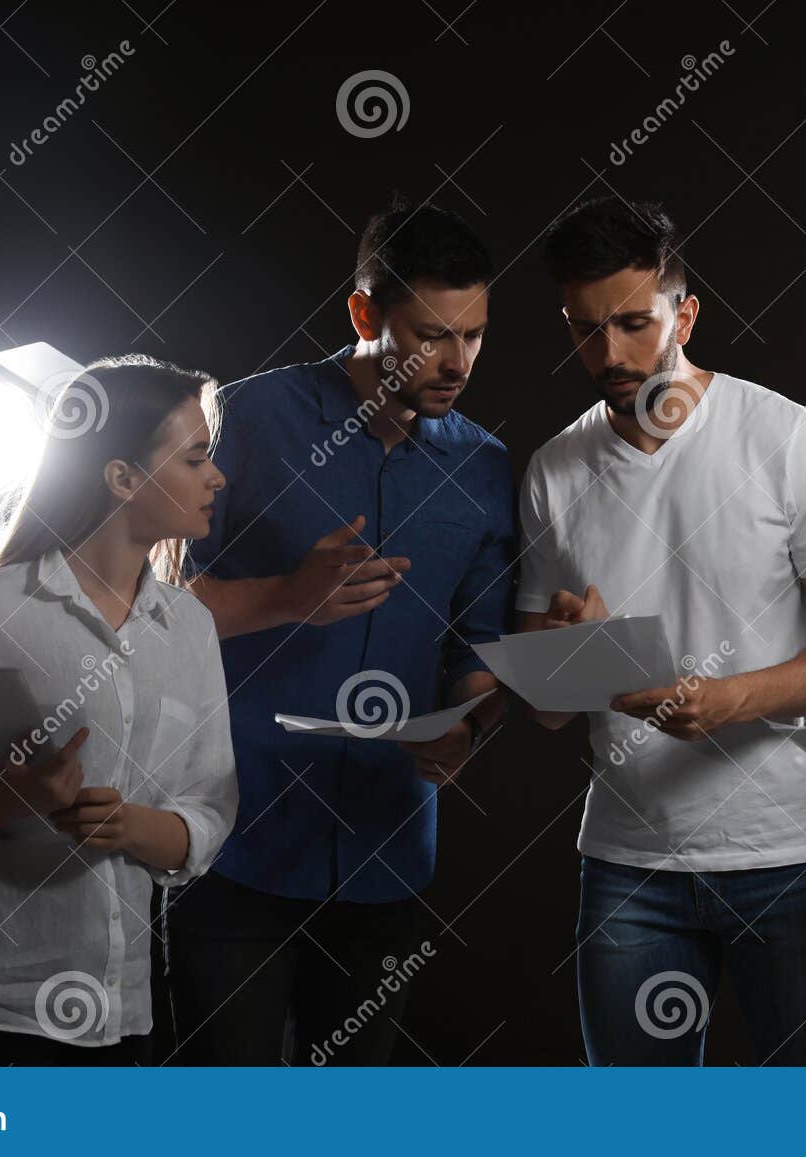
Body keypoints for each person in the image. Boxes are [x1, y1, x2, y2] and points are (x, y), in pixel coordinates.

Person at [516, 197, 806, 1065]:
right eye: (586, 329)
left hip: (791, 852)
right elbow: (545, 707)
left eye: (633, 324)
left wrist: (728, 700)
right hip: (628, 864)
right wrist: (576, 651)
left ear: (684, 316)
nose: (611, 354)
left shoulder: (791, 438)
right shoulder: (553, 470)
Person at [169, 198, 515, 1065]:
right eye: (431, 336)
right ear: (364, 315)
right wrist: (288, 596)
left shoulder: (484, 467)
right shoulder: (241, 419)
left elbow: (479, 645)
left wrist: (469, 727)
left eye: (474, 335)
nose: (457, 362)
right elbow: (149, 608)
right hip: (230, 840)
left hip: (385, 853)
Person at [0, 354, 240, 1064]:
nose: (216, 477)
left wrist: (132, 826)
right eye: (196, 459)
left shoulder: (190, 628)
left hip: (120, 1011)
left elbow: (210, 807)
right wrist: (10, 799)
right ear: (122, 478)